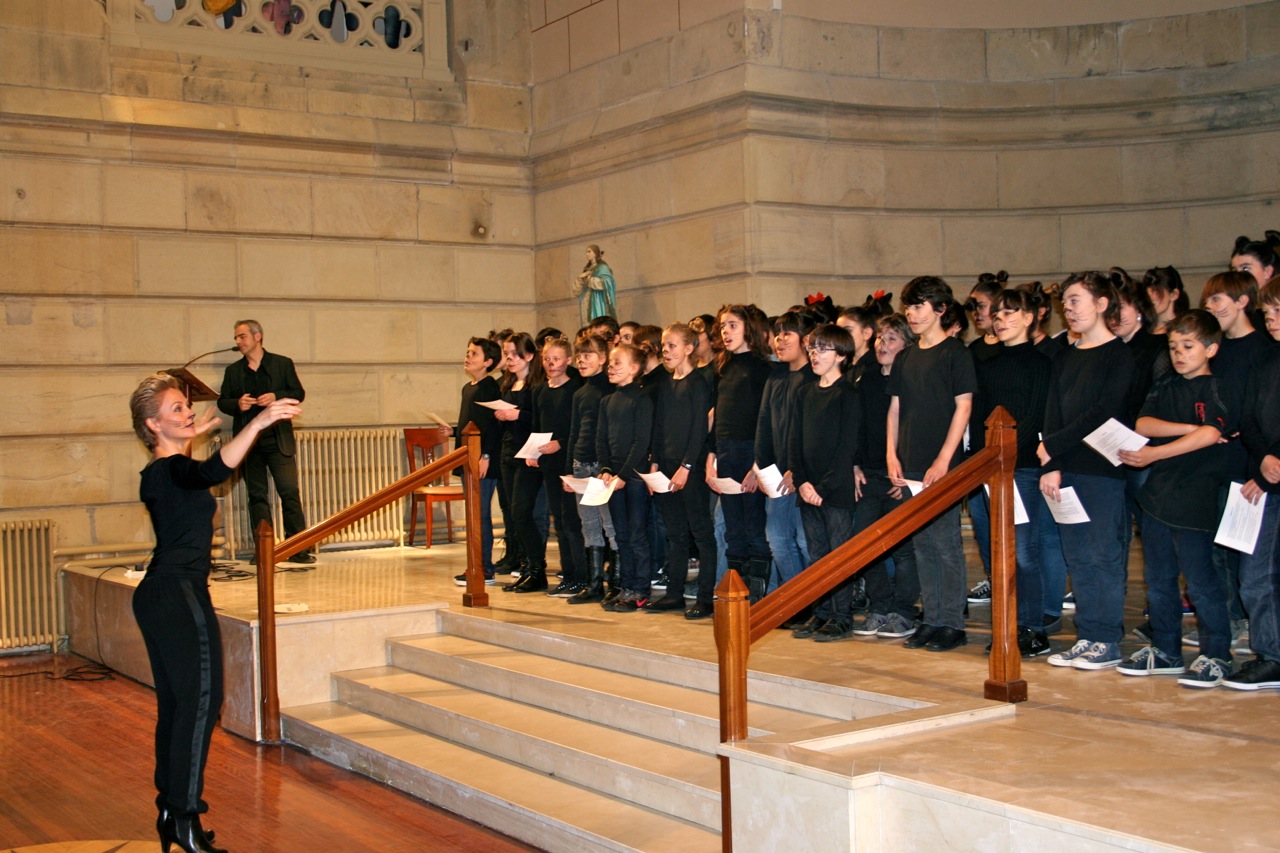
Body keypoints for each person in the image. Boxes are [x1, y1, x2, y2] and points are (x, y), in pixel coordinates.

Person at [130, 372, 300, 853]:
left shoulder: (165, 473)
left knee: (180, 706)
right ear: (152, 425)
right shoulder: (168, 471)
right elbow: (209, 474)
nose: (188, 414)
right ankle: (184, 818)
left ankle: (170, 813)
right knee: (202, 706)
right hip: (179, 594)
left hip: (163, 595)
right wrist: (260, 421)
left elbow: (195, 472)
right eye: (176, 410)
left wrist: (192, 436)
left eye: (187, 408)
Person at [1115, 310, 1232, 685]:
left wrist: (1154, 453)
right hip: (1159, 497)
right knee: (1158, 578)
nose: (1179, 354)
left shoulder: (1217, 388)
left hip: (1195, 496)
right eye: (1173, 346)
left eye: (1188, 346)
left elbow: (1211, 435)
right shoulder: (1165, 386)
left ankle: (1217, 654)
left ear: (1211, 349)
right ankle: (1166, 649)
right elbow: (1144, 424)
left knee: (1200, 580)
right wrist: (1188, 428)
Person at [1039, 272, 1134, 670]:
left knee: (1102, 556)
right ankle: (1087, 634)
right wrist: (1053, 464)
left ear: (1101, 304)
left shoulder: (1120, 356)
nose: (1069, 309)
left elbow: (1103, 412)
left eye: (1076, 301)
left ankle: (1107, 639)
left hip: (1102, 470)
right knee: (1076, 556)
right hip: (1067, 469)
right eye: (1066, 303)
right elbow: (1054, 411)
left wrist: (1054, 446)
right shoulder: (1066, 355)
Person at [887, 277, 976, 652]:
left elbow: (964, 406)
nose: (912, 313)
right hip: (909, 461)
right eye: (909, 307)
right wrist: (891, 454)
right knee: (922, 544)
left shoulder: (954, 353)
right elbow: (894, 409)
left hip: (942, 463)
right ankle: (932, 616)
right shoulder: (906, 356)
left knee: (946, 545)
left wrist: (945, 458)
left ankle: (952, 622)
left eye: (920, 306)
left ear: (940, 310)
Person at [970, 288, 1054, 657]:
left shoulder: (1043, 364)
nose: (1001, 319)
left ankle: (1032, 627)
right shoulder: (986, 365)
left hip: (1024, 469)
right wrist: (985, 463)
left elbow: (1038, 417)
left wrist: (1008, 459)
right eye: (998, 314)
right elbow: (978, 419)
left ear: (1030, 317)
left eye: (1010, 313)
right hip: (993, 470)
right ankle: (1007, 625)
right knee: (998, 550)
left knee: (1023, 553)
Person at [847, 314, 920, 641]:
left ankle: (904, 611)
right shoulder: (868, 378)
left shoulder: (912, 379)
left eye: (891, 339)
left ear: (906, 344)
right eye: (879, 338)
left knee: (903, 549)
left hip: (900, 477)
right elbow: (857, 427)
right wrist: (855, 465)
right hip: (870, 473)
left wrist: (903, 473)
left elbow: (916, 430)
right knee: (863, 543)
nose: (882, 345)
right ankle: (880, 605)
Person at [789, 324, 862, 641]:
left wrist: (823, 487)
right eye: (813, 348)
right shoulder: (804, 393)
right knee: (816, 554)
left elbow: (847, 447)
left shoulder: (848, 394)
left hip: (835, 490)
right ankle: (822, 612)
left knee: (838, 555)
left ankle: (842, 616)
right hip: (808, 489)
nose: (814, 354)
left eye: (823, 349)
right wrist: (803, 481)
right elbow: (794, 442)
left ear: (842, 355)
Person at [217, 320, 311, 563]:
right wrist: (238, 403)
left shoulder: (281, 363)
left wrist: (277, 396)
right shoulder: (233, 371)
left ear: (257, 336)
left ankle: (298, 548)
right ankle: (264, 550)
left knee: (289, 492)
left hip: (278, 438)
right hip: (250, 442)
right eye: (236, 337)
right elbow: (223, 402)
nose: (238, 342)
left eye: (242, 336)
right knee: (257, 495)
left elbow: (298, 393)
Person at [1225, 277, 1280, 690]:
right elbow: (1247, 418)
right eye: (1269, 312)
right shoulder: (1265, 360)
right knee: (1256, 574)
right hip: (1268, 477)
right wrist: (1264, 460)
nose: (1272, 319)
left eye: (1279, 312)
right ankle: (1272, 654)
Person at [645, 323, 717, 618]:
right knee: (675, 532)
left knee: (700, 532)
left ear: (689, 348)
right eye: (664, 346)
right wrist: (655, 464)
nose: (666, 351)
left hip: (692, 468)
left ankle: (705, 597)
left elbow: (700, 428)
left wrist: (687, 466)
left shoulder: (699, 383)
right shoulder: (665, 383)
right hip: (667, 467)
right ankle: (674, 593)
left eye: (672, 345)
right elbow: (659, 426)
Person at [707, 304, 775, 602]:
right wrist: (711, 458)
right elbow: (718, 416)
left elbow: (765, 420)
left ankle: (758, 596)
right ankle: (735, 593)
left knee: (754, 527)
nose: (725, 331)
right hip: (725, 451)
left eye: (732, 325)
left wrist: (757, 466)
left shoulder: (764, 369)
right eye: (723, 326)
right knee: (732, 529)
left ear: (749, 328)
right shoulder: (722, 367)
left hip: (752, 453)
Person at [755, 311, 817, 609]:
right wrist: (762, 465)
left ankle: (813, 601)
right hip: (775, 474)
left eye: (786, 334)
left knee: (806, 542)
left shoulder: (814, 378)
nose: (779, 341)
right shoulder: (776, 376)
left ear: (806, 340)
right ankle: (794, 601)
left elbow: (811, 431)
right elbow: (764, 421)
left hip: (803, 474)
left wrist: (798, 470)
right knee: (777, 539)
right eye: (777, 335)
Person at [597, 343, 655, 612]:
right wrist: (606, 470)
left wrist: (623, 474)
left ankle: (641, 589)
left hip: (633, 478)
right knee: (620, 535)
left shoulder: (641, 399)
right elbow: (602, 440)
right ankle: (626, 585)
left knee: (636, 535)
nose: (611, 366)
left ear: (634, 368)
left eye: (617, 362)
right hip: (614, 479)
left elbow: (641, 441)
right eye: (610, 362)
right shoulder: (607, 401)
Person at [565, 334, 618, 604]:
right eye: (579, 356)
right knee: (588, 524)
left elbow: (611, 432)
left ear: (603, 358)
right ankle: (594, 583)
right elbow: (574, 432)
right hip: (580, 465)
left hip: (601, 466)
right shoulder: (579, 393)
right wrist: (569, 471)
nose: (582, 361)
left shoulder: (609, 390)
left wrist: (608, 466)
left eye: (588, 355)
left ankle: (616, 584)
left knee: (609, 524)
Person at [529, 337, 584, 597]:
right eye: (547, 359)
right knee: (559, 521)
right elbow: (537, 427)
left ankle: (579, 576)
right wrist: (532, 452)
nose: (551, 364)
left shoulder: (575, 390)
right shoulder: (540, 391)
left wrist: (560, 444)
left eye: (557, 359)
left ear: (569, 361)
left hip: (568, 461)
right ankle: (567, 573)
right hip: (549, 464)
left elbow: (576, 429)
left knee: (571, 522)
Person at [493, 332, 547, 592]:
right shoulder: (507, 385)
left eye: (515, 354)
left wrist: (517, 415)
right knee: (514, 515)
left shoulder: (537, 386)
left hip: (529, 455)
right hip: (508, 453)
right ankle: (525, 569)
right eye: (507, 354)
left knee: (523, 513)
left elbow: (539, 420)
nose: (510, 359)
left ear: (530, 355)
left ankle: (537, 570)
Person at [453, 337, 502, 585]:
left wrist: (486, 456)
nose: (468, 357)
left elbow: (492, 428)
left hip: (482, 460)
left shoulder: (489, 387)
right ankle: (475, 565)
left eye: (474, 354)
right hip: (466, 457)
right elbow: (469, 423)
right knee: (473, 514)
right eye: (468, 352)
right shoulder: (467, 388)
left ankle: (485, 568)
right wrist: (451, 432)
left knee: (480, 514)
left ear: (488, 362)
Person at [574, 245, 617, 327]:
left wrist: (589, 280)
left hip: (598, 302)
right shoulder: (586, 269)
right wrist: (580, 278)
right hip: (586, 302)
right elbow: (577, 291)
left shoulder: (602, 268)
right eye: (586, 252)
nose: (587, 254)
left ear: (595, 253)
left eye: (589, 251)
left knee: (599, 325)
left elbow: (606, 282)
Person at [1142, 266, 1189, 334]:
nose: (1150, 297)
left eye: (1156, 291)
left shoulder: (1183, 330)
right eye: (1147, 292)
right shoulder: (1143, 330)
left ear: (1173, 295)